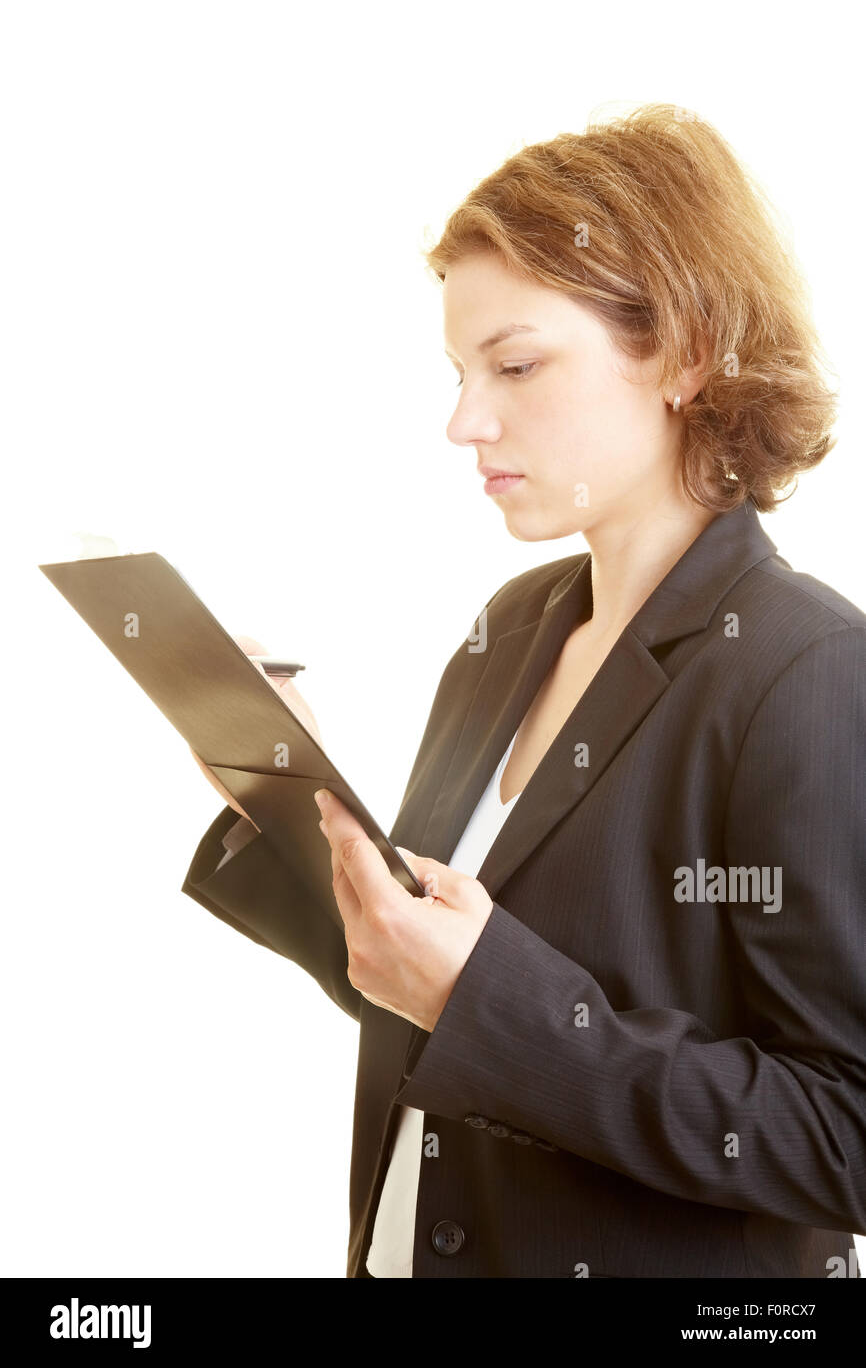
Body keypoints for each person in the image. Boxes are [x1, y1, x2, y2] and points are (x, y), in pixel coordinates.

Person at [181, 103, 866, 1279]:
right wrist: (295, 813)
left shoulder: (802, 670)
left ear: (688, 351)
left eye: (514, 363)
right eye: (458, 371)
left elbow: (841, 1134)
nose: (463, 420)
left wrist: (491, 998)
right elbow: (438, 1011)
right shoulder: (509, 632)